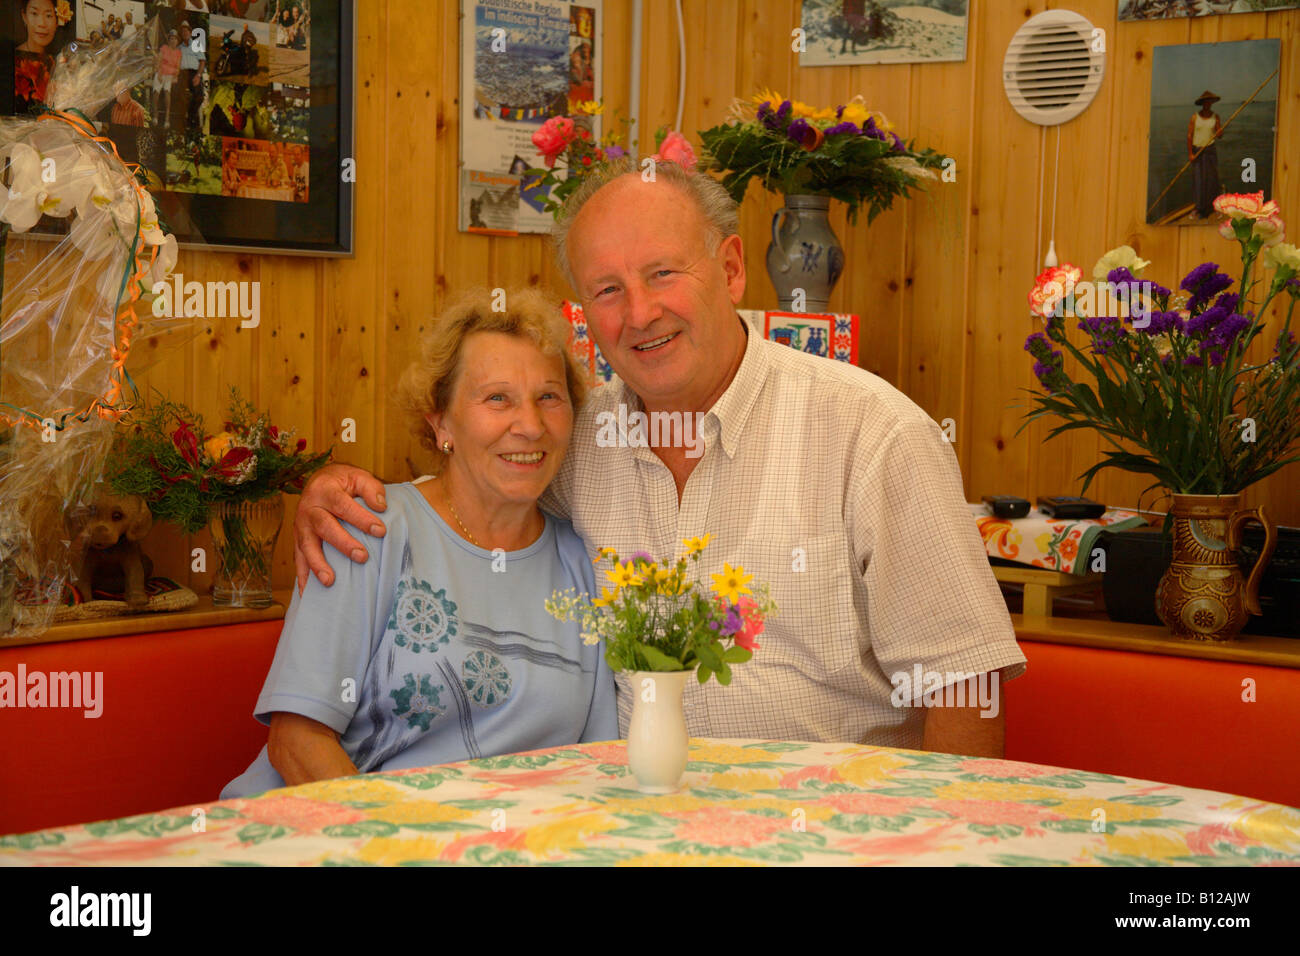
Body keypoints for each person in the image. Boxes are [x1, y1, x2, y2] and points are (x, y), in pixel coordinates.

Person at [294, 159, 1026, 757]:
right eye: (607, 290)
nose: (639, 313)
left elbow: (964, 688)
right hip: (631, 832)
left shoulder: (875, 436)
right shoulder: (575, 442)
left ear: (733, 268)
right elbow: (471, 490)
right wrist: (334, 494)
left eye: (663, 274)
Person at [221, 288, 618, 798]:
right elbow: (298, 741)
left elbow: (599, 761)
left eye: (549, 397)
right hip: (343, 836)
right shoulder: (367, 526)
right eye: (497, 398)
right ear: (441, 423)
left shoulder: (583, 563)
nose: (530, 425)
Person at [1188, 90, 1223, 220]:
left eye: (1210, 101)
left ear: (1212, 103)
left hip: (1210, 150)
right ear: (1202, 103)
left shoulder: (1216, 117)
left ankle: (1215, 207)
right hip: (1197, 151)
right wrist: (1191, 153)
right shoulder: (1195, 117)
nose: (1208, 104)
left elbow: (1219, 135)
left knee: (1212, 179)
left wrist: (1220, 132)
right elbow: (1189, 135)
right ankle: (1198, 208)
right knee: (1198, 180)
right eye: (1206, 102)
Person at [152, 29, 183, 128]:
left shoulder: (178, 53)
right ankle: (155, 115)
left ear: (177, 41)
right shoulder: (164, 48)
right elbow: (159, 61)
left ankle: (167, 118)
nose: (173, 40)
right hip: (161, 73)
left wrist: (175, 76)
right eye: (171, 38)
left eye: (175, 39)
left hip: (170, 76)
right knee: (156, 92)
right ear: (169, 40)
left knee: (167, 92)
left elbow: (177, 67)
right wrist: (160, 74)